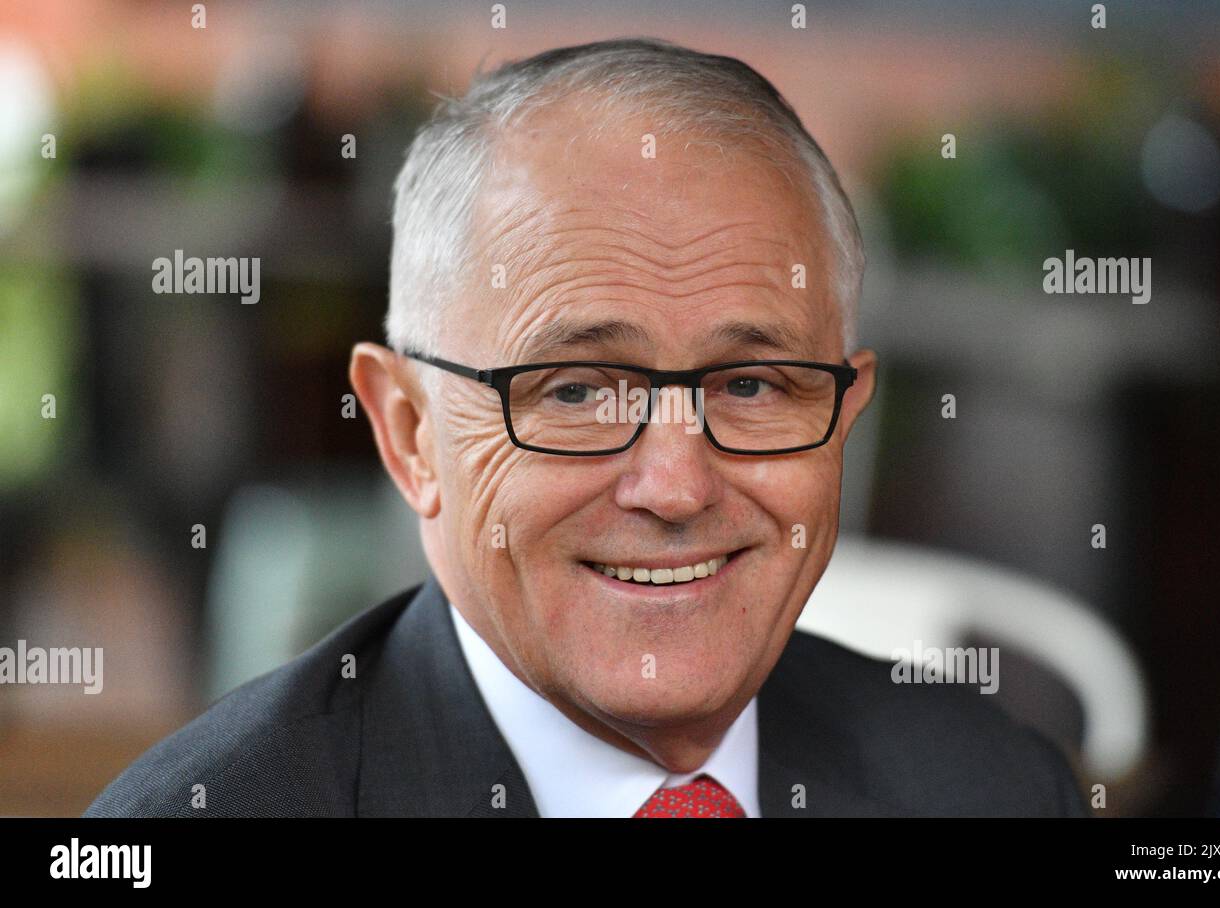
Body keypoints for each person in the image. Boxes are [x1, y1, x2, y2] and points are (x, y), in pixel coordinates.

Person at [86, 37, 1084, 818]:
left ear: (844, 418)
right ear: (408, 430)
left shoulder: (990, 784)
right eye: (574, 390)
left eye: (749, 383)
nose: (678, 484)